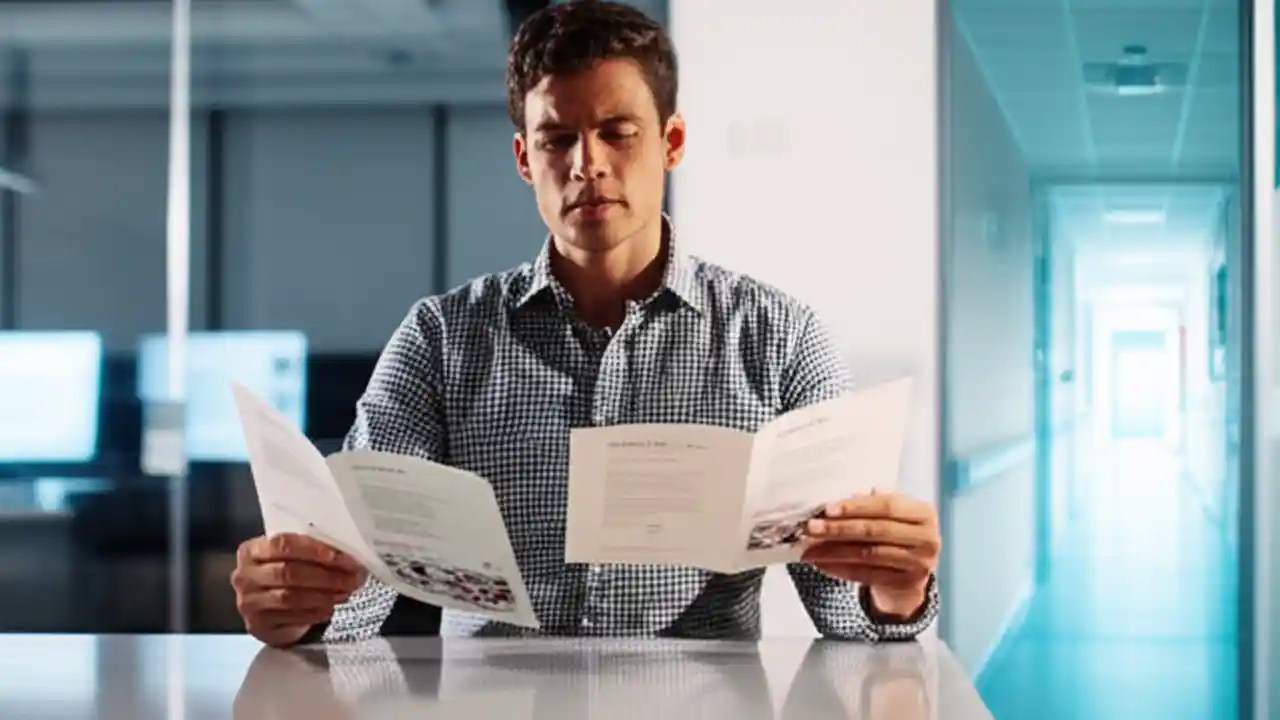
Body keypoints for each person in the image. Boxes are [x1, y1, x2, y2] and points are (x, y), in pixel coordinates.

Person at [231, 0, 941, 649]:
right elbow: (359, 585)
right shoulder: (440, 338)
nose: (587, 165)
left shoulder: (778, 338)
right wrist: (299, 607)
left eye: (616, 132)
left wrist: (897, 589)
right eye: (557, 139)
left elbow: (849, 612)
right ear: (523, 157)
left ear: (673, 140)